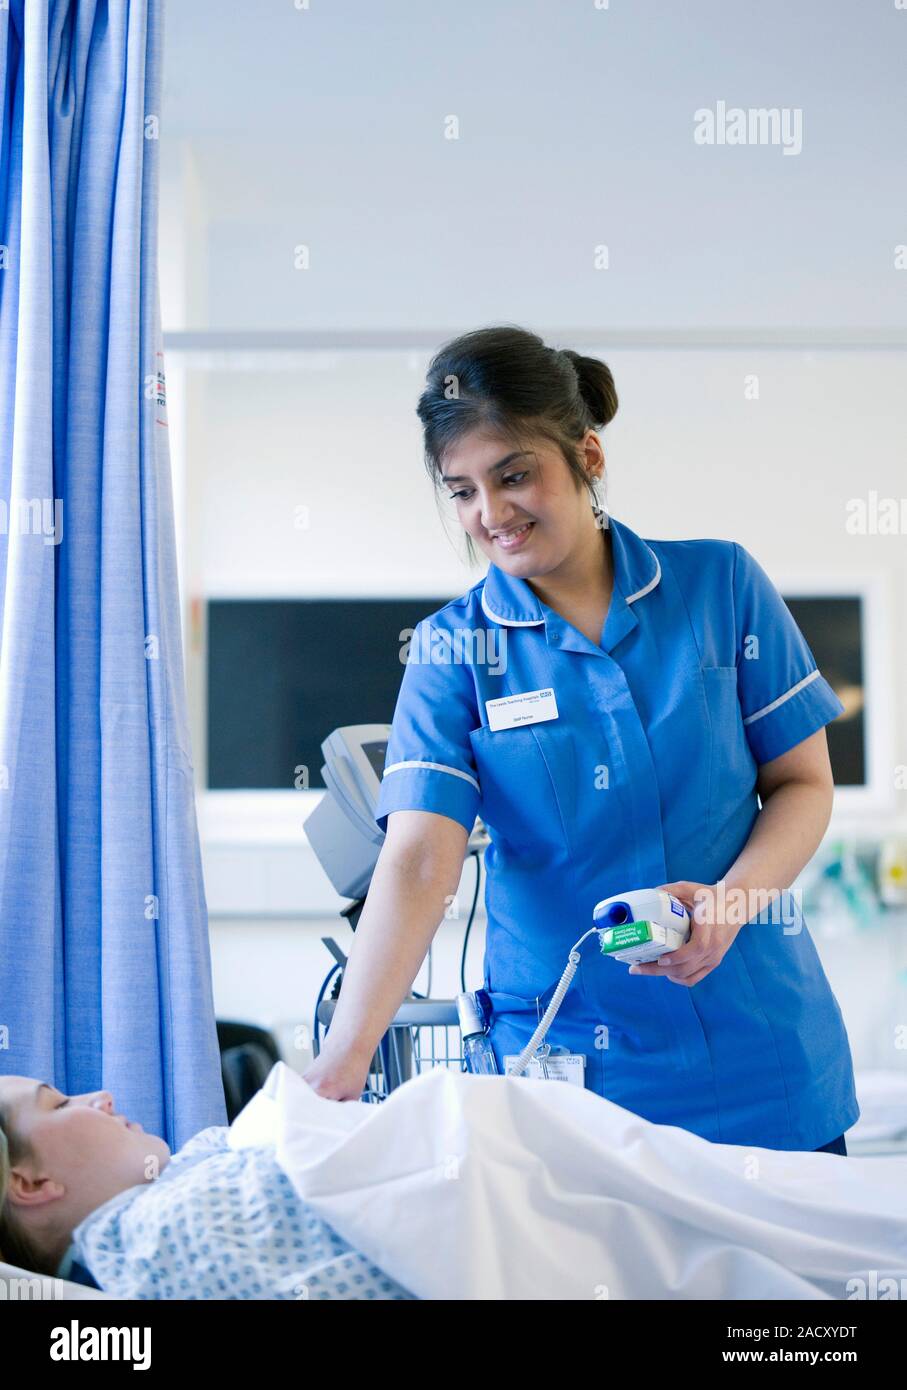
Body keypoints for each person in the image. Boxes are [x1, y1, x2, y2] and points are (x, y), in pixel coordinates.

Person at [303, 323, 858, 1154]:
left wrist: (730, 904)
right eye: (461, 491)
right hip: (569, 1080)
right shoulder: (453, 651)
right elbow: (421, 857)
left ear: (587, 458)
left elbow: (801, 784)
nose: (489, 514)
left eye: (513, 474)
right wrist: (340, 1063)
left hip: (759, 1060)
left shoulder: (719, 587)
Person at [0, 1074, 414, 1298]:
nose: (102, 1097)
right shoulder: (161, 1244)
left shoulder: (178, 1184)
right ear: (31, 1183)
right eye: (58, 1104)